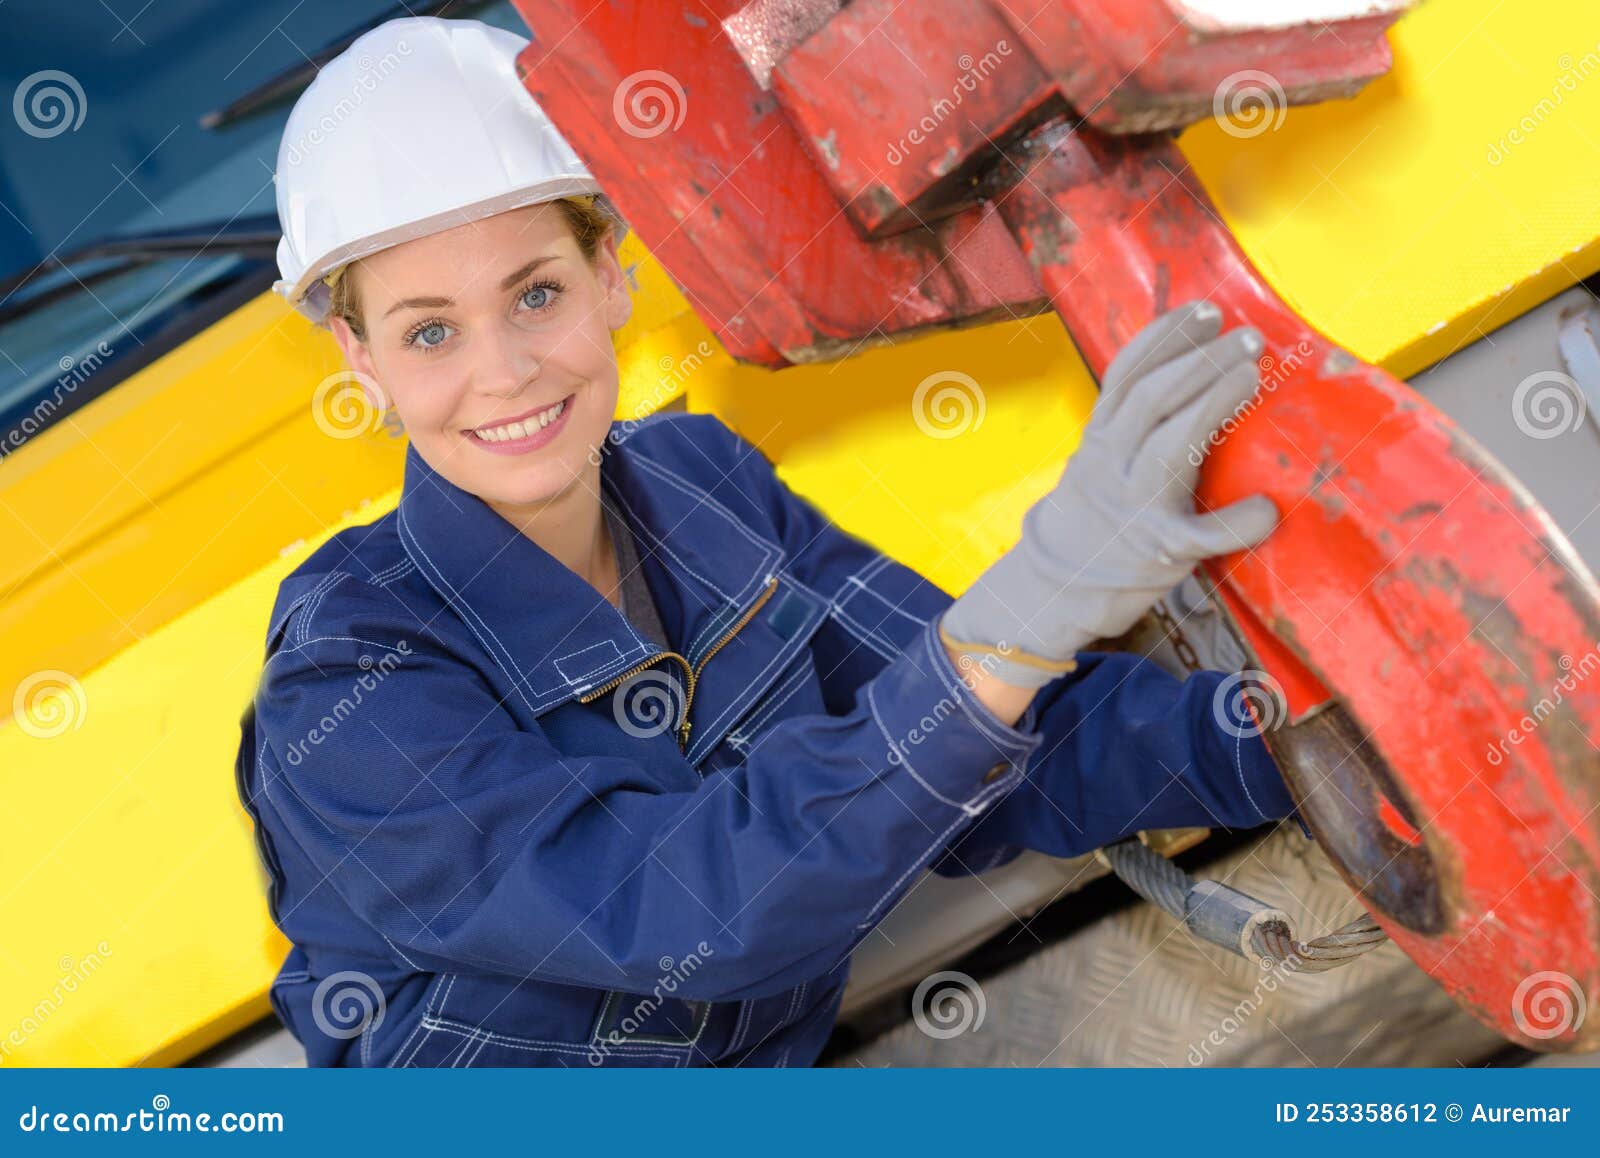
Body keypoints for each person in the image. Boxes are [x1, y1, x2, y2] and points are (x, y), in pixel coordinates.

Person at [236, 15, 1302, 1068]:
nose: (505, 370)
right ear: (361, 361)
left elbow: (992, 752)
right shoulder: (348, 688)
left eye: (536, 293)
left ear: (611, 273)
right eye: (430, 331)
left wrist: (1293, 739)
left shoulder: (703, 489)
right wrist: (1019, 620)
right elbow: (680, 913)